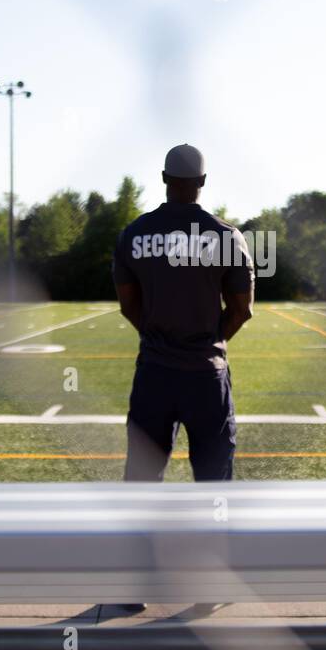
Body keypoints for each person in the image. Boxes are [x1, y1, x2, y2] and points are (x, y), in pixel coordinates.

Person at [111, 143, 255, 482]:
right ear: (202, 180)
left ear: (164, 178)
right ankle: (214, 535)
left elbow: (129, 305)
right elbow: (241, 310)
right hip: (206, 377)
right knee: (214, 481)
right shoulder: (227, 237)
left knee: (142, 481)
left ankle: (142, 536)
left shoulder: (133, 234)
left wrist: (154, 334)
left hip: (154, 375)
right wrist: (210, 340)